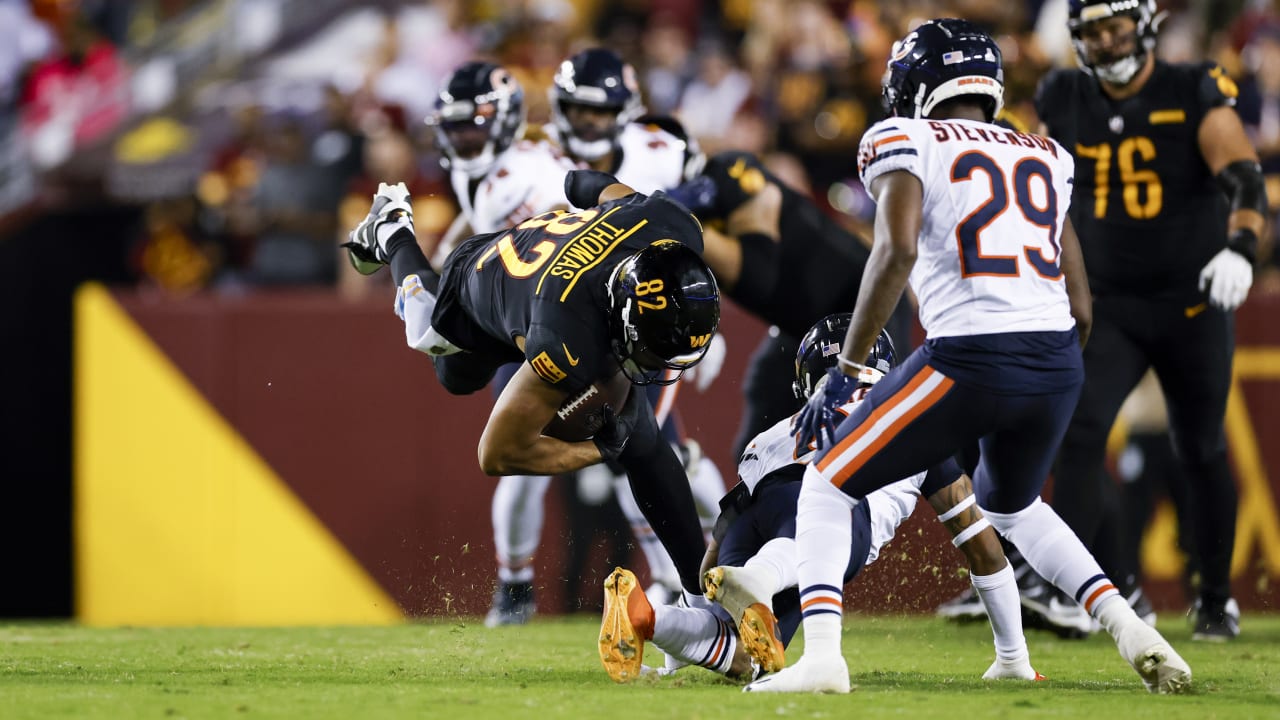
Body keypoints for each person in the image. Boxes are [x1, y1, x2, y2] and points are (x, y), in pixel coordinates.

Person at [747, 19, 1190, 695]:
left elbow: (893, 251)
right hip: (1058, 356)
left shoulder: (904, 137)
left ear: (915, 85)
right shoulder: (1043, 152)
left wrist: (852, 369)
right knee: (1010, 507)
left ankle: (823, 660)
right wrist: (1047, 366)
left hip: (972, 353)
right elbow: (1082, 302)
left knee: (829, 481)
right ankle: (1132, 630)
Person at [341, 169, 721, 611]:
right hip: (482, 280)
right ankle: (394, 231)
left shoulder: (673, 223)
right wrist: (601, 450)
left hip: (550, 271)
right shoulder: (563, 338)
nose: (660, 368)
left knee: (642, 439)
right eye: (655, 353)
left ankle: (699, 596)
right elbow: (497, 454)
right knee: (444, 358)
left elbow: (583, 182)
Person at [597, 314, 1041, 684]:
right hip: (824, 514)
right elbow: (980, 544)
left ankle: (647, 616)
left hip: (756, 511)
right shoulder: (910, 418)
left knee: (738, 653)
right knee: (783, 583)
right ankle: (759, 578)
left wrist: (703, 589)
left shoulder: (778, 430)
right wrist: (1012, 654)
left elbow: (728, 521)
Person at [1033, 0, 1266, 642]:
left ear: (1143, 25)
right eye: (1093, 32)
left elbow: (1245, 179)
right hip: (1108, 302)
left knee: (1200, 445)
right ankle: (1079, 591)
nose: (1106, 43)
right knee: (1078, 435)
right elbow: (1035, 186)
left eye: (1115, 28)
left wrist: (1241, 248)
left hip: (1190, 299)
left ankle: (1215, 597)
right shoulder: (1062, 94)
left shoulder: (1193, 86)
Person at [547, 46, 729, 601]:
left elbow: (710, 209)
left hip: (653, 319)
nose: (587, 122)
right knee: (661, 456)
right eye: (578, 109)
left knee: (640, 448)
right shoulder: (536, 160)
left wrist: (704, 314)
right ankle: (707, 562)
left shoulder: (660, 148)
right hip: (590, 322)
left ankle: (687, 576)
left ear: (624, 111)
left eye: (599, 111)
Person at [421, 60, 575, 626]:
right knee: (513, 460)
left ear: (504, 121)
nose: (464, 137)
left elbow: (578, 229)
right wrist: (449, 249)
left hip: (567, 322)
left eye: (473, 125)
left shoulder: (535, 173)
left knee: (639, 455)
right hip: (520, 329)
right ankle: (513, 587)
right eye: (455, 127)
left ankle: (683, 579)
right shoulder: (480, 173)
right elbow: (477, 212)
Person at [666, 150, 915, 459]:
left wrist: (674, 222)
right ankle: (765, 503)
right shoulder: (665, 216)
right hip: (804, 326)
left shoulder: (729, 174)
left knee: (883, 427)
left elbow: (758, 276)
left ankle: (956, 496)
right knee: (761, 438)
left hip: (864, 304)